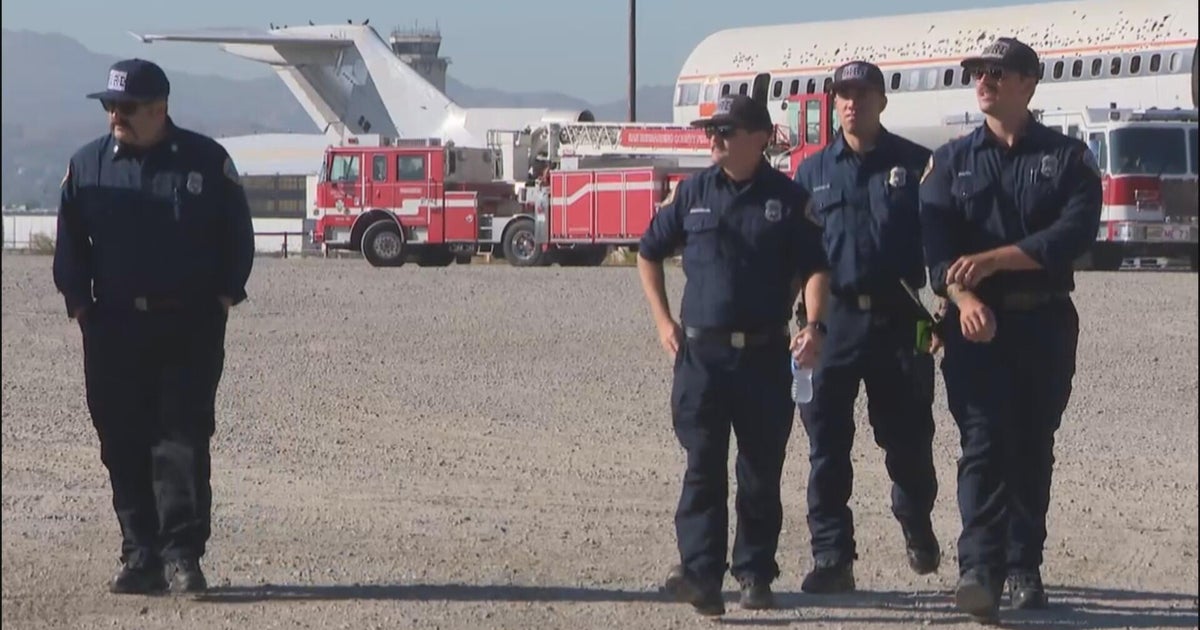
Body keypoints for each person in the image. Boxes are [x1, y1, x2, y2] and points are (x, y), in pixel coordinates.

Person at [52, 58, 255, 595]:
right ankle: (139, 554)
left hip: (187, 326)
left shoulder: (206, 162)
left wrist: (222, 298)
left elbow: (237, 232)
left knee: (181, 441)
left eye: (127, 106)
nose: (115, 114)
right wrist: (80, 305)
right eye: (110, 105)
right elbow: (70, 241)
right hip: (113, 326)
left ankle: (182, 556)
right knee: (121, 439)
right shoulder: (88, 165)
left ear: (160, 108)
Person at [918, 37, 1102, 624]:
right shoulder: (950, 162)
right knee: (982, 442)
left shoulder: (1070, 159)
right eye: (976, 72)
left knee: (1030, 442)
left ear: (1028, 82)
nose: (983, 81)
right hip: (975, 326)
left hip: (1043, 321)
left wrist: (995, 260)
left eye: (996, 72)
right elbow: (937, 249)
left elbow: (1069, 238)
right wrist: (966, 296)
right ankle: (978, 569)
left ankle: (1024, 566)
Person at [637, 93, 831, 616]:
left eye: (726, 130)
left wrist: (814, 326)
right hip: (701, 357)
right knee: (702, 465)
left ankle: (754, 573)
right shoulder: (692, 193)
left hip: (764, 357)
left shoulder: (789, 201)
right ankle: (701, 574)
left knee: (760, 471)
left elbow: (816, 267)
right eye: (710, 131)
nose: (715, 139)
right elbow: (648, 252)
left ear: (760, 137)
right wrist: (662, 322)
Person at [791, 60, 941, 594]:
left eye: (862, 93)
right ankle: (833, 557)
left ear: (882, 100)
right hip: (832, 322)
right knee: (826, 444)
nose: (851, 102)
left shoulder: (916, 165)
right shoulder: (810, 173)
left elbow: (942, 243)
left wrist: (944, 307)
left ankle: (915, 518)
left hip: (899, 321)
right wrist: (799, 323)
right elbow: (796, 256)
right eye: (843, 94)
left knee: (908, 441)